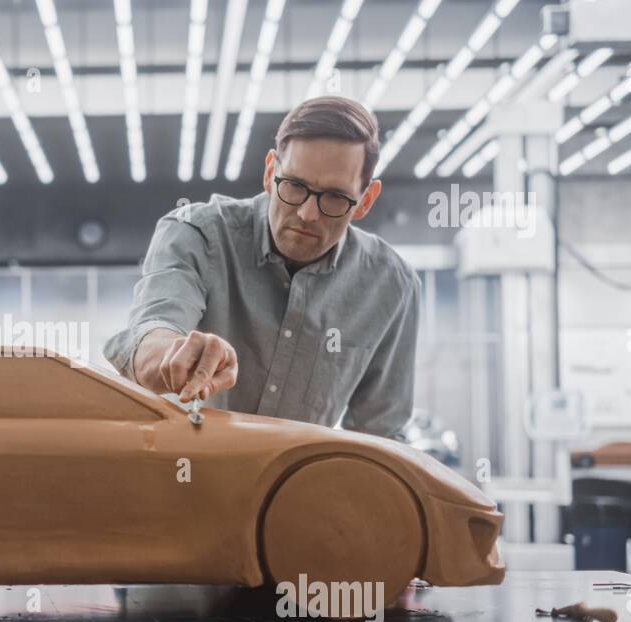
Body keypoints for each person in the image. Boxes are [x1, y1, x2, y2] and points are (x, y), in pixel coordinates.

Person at [104, 95, 419, 439]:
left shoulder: (392, 285)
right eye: (294, 186)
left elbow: (382, 436)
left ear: (365, 201)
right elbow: (152, 329)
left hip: (294, 490)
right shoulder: (197, 234)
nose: (307, 214)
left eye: (334, 198)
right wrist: (174, 354)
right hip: (183, 481)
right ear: (271, 173)